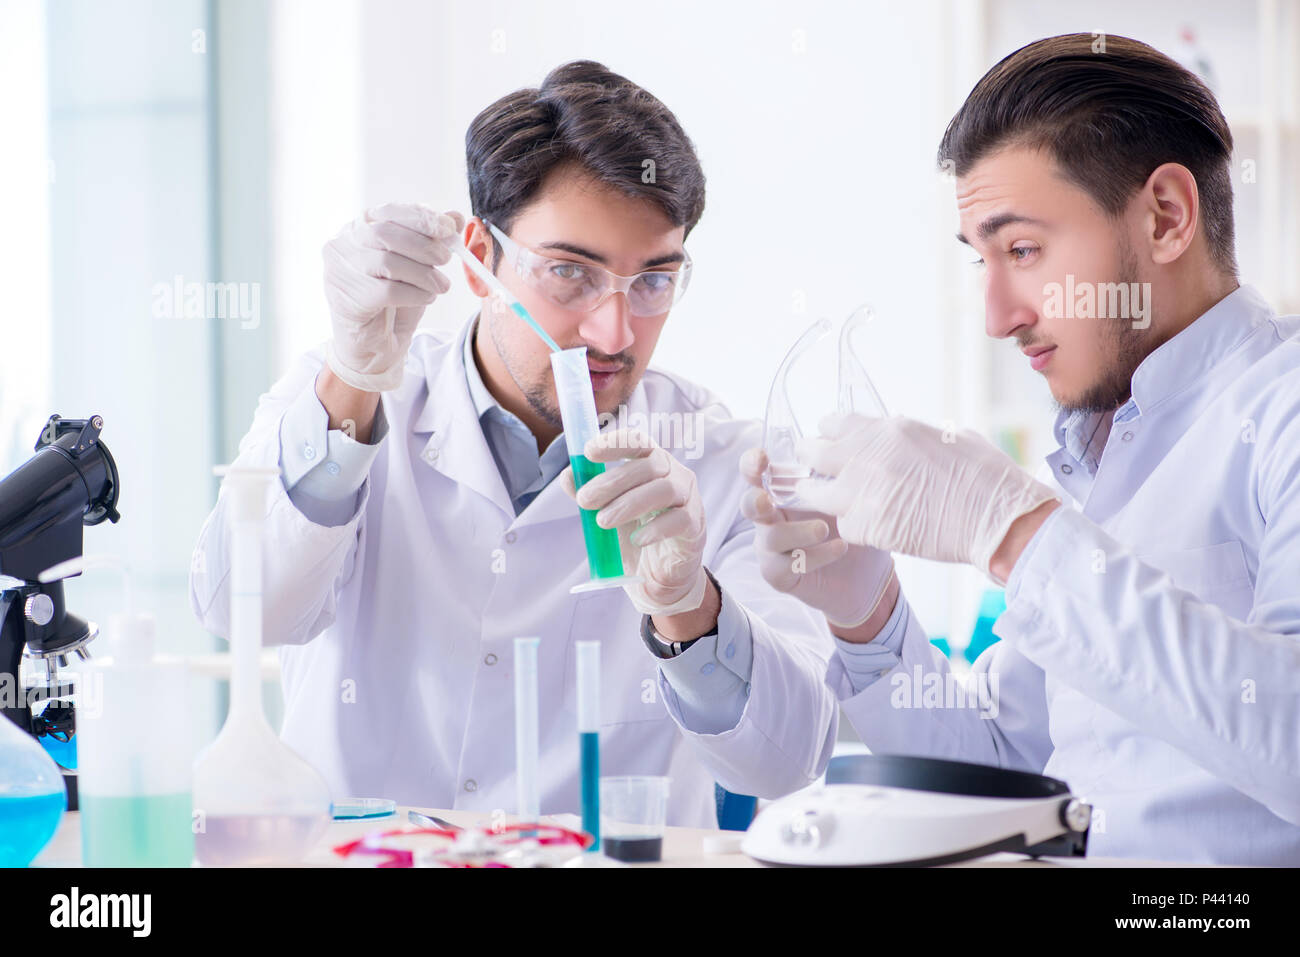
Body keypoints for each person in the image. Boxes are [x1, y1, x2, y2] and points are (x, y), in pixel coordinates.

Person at [190, 61, 837, 828]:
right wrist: (351, 381)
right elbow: (239, 608)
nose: (614, 332)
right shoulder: (348, 399)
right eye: (570, 272)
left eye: (654, 281)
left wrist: (690, 609)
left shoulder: (727, 463)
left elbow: (789, 760)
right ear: (479, 257)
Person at [741, 34, 1300, 864]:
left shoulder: (1282, 407)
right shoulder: (1102, 444)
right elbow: (1008, 765)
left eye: (1024, 250)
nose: (999, 313)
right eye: (982, 260)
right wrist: (869, 619)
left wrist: (1014, 534)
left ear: (1166, 217)